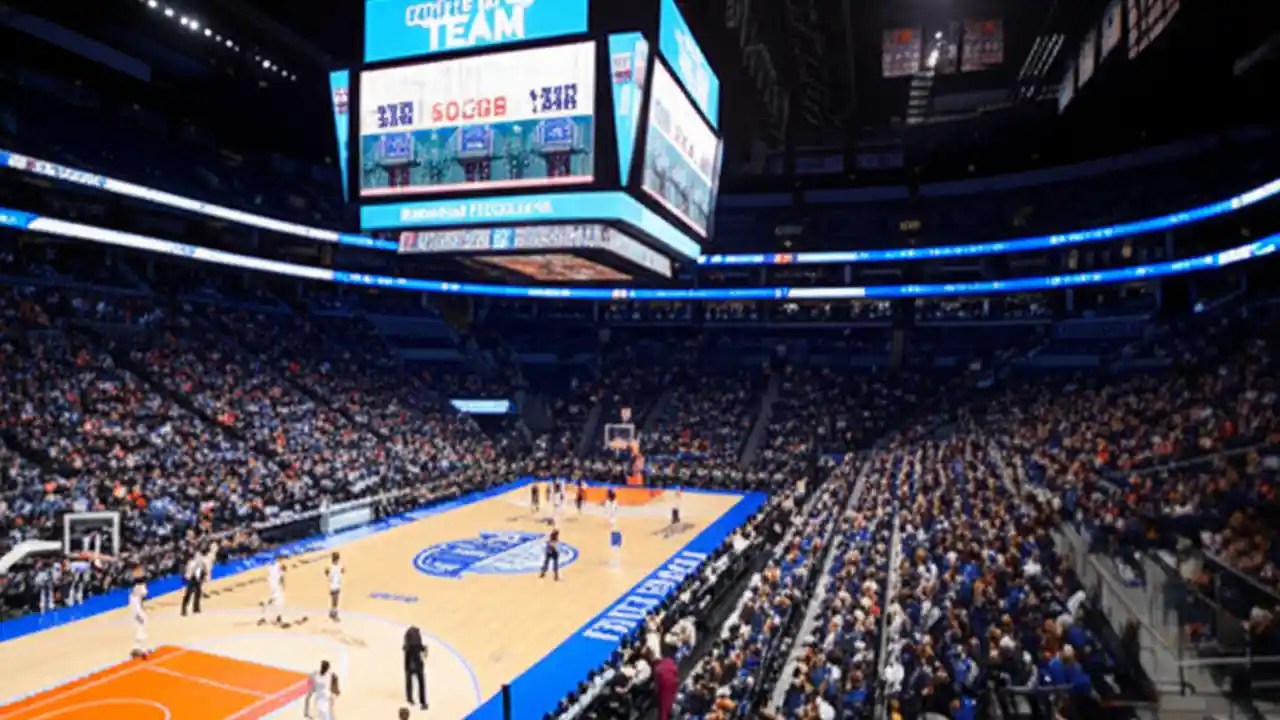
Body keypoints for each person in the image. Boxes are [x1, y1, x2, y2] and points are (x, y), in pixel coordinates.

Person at [403, 625, 428, 711]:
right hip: (417, 663)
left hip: (409, 662)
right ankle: (423, 701)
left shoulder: (408, 635)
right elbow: (420, 648)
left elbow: (406, 648)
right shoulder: (417, 637)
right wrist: (424, 649)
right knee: (421, 682)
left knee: (409, 681)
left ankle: (410, 698)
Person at [259, 556, 286, 626]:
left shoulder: (271, 566)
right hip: (276, 586)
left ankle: (265, 615)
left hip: (272, 585)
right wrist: (283, 586)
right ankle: (279, 618)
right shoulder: (279, 566)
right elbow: (282, 577)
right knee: (279, 601)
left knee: (273, 601)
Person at [654, 645, 678, 720]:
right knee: (669, 704)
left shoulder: (659, 668)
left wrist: (656, 692)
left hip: (664, 689)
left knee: (663, 709)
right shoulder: (672, 663)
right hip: (672, 686)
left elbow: (657, 683)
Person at [181, 548, 206, 616]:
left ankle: (196, 608)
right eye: (198, 556)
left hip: (197, 579)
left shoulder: (200, 563)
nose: (200, 557)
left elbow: (202, 569)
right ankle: (183, 610)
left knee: (198, 593)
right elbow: (188, 571)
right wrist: (187, 578)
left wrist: (202, 576)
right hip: (191, 579)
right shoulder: (191, 562)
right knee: (188, 594)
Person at [129, 573, 148, 658]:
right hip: (138, 611)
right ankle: (138, 648)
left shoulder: (133, 590)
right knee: (142, 627)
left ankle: (137, 648)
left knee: (140, 627)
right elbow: (145, 595)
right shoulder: (141, 587)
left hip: (135, 611)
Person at [326, 552, 343, 622]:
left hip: (335, 586)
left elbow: (331, 576)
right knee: (335, 601)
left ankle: (333, 613)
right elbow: (331, 577)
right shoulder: (334, 568)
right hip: (334, 586)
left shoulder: (335, 567)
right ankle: (334, 614)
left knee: (335, 601)